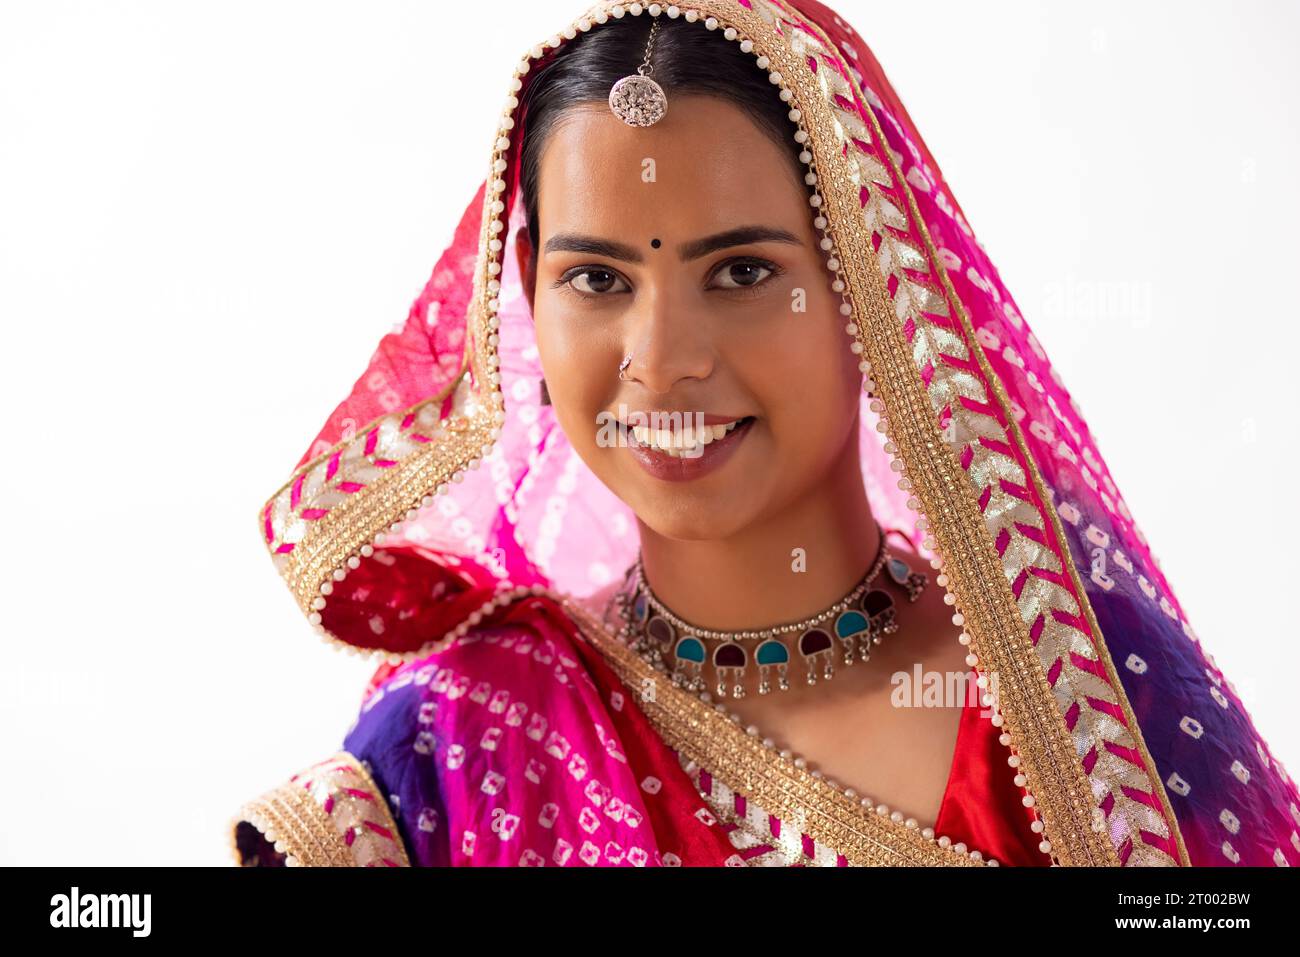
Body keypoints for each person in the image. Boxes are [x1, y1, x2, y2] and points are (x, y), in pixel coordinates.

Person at [229, 0, 1300, 867]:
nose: (661, 358)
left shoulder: (1086, 686)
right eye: (597, 279)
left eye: (742, 273)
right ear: (524, 294)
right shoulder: (461, 752)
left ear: (874, 288)